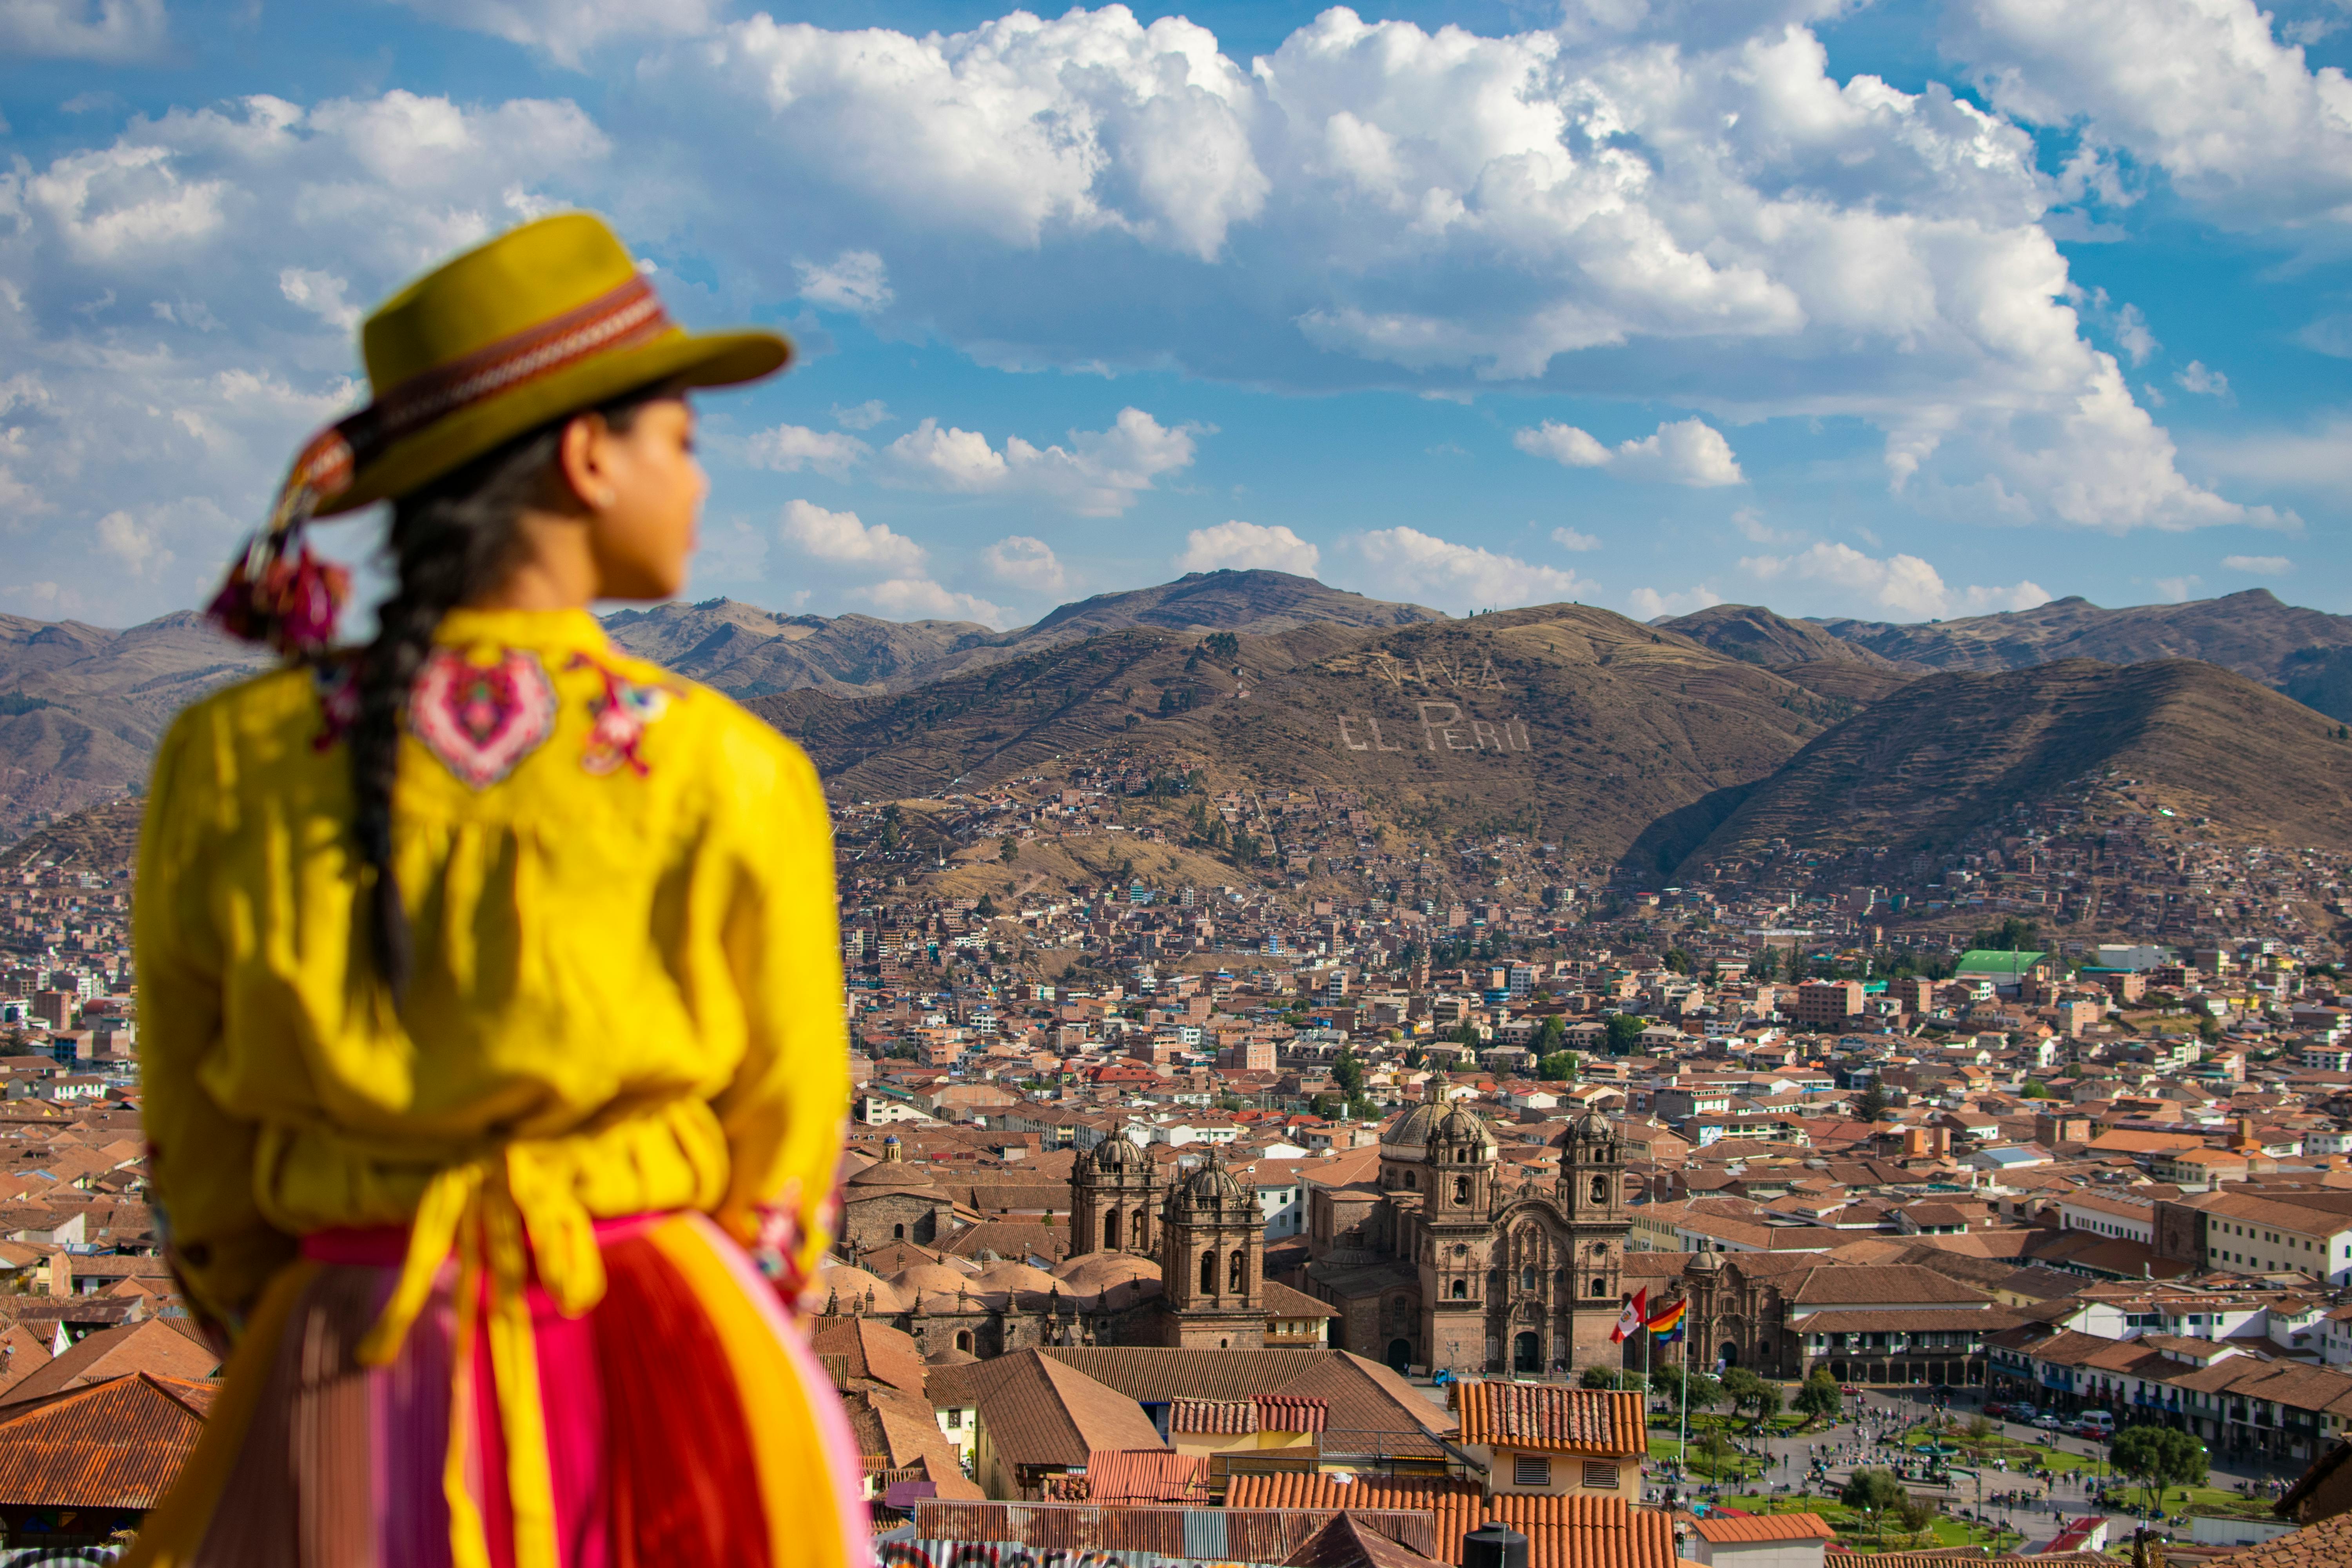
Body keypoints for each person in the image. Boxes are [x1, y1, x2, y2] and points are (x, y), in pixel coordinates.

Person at [124, 213, 863, 1568]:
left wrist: (299, 1324)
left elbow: (198, 1160)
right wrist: (735, 1326)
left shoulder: (224, 766)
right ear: (590, 456)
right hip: (668, 1358)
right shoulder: (729, 768)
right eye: (684, 445)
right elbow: (788, 1134)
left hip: (349, 1353)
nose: (700, 487)